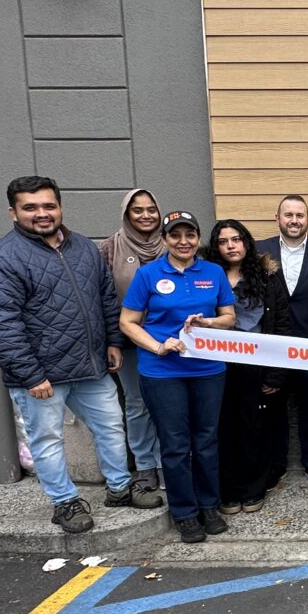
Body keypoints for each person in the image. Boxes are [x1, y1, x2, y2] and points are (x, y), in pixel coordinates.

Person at [0, 176, 163, 534]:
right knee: (48, 439)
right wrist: (29, 374)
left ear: (60, 207)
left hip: (90, 365)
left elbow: (105, 298)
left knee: (112, 426)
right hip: (41, 375)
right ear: (13, 212)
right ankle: (64, 501)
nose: (42, 214)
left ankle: (119, 487)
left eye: (48, 205)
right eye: (31, 207)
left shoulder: (83, 247)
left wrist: (114, 342)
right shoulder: (3, 258)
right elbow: (2, 322)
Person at [120, 210, 236, 543]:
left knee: (206, 440)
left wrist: (208, 323)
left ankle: (209, 506)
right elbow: (127, 322)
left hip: (208, 369)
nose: (183, 242)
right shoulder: (148, 274)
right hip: (163, 371)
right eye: (175, 235)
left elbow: (229, 316)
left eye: (190, 235)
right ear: (164, 239)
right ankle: (184, 512)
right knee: (174, 444)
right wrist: (158, 346)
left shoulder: (213, 272)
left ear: (198, 239)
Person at [205, 220, 291, 516]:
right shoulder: (205, 275)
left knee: (255, 429)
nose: (231, 245)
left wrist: (276, 372)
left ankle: (254, 489)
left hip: (257, 366)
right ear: (215, 247)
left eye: (237, 239)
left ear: (247, 242)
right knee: (223, 429)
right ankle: (228, 491)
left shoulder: (268, 275)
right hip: (217, 367)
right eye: (224, 241)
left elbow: (281, 324)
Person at [257, 195, 308, 489]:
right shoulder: (258, 251)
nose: (294, 220)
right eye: (288, 214)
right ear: (277, 218)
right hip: (272, 346)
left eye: (300, 215)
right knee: (272, 406)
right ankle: (276, 465)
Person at [98, 188, 165, 491]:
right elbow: (103, 298)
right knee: (137, 404)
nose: (146, 215)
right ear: (127, 214)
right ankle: (145, 465)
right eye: (137, 210)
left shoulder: (173, 242)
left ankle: (168, 462)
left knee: (167, 404)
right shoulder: (110, 247)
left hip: (170, 342)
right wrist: (112, 340)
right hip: (130, 341)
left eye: (151, 209)